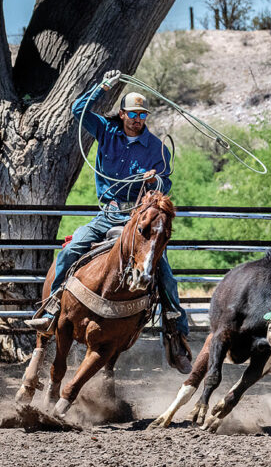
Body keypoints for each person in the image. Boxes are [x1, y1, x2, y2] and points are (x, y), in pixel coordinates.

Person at [25, 70, 192, 373]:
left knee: (165, 275)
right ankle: (51, 308)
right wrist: (104, 86)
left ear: (145, 117)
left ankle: (176, 333)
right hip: (109, 215)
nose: (136, 119)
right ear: (123, 113)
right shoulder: (105, 130)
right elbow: (78, 110)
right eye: (131, 113)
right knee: (71, 249)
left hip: (137, 219)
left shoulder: (157, 148)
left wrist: (156, 182)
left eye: (142, 114)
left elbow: (166, 185)